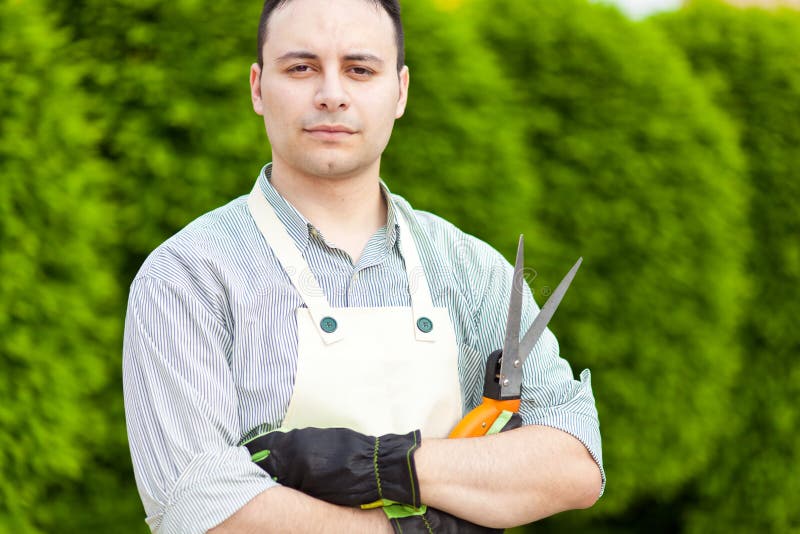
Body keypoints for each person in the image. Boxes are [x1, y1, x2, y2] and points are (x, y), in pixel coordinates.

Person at [122, 0, 605, 532]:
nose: (331, 94)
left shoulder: (471, 270)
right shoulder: (188, 276)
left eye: (360, 69)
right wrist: (406, 528)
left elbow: (573, 460)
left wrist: (388, 465)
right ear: (258, 88)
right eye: (301, 68)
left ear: (399, 91)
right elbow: (201, 505)